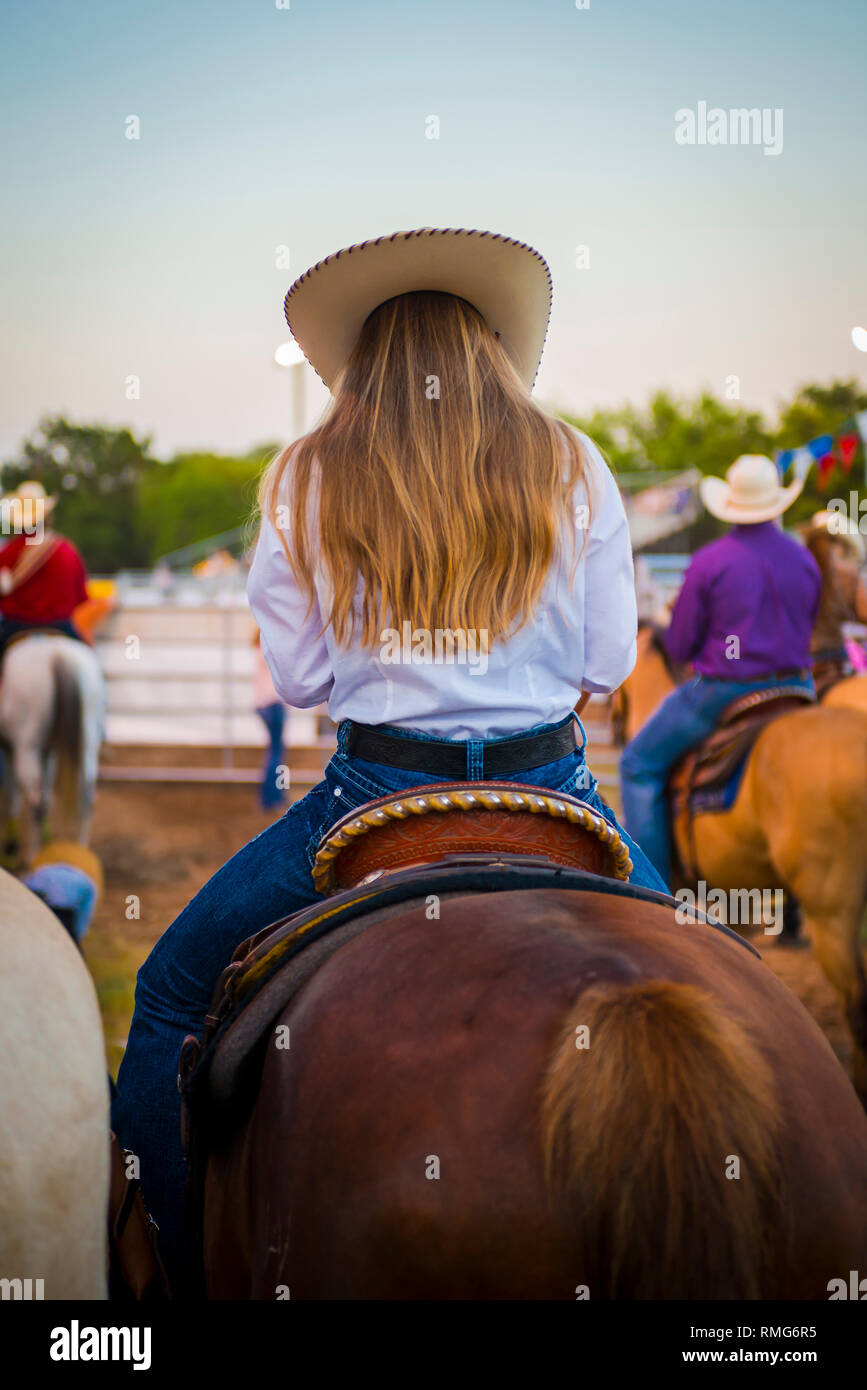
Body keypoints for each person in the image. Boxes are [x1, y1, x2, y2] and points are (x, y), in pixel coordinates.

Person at [114, 227, 667, 1291]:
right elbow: (606, 660)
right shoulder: (575, 460)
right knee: (722, 971)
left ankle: (171, 1277)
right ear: (493, 346)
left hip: (373, 792)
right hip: (551, 783)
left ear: (362, 359)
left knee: (171, 999)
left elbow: (308, 680)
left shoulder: (307, 475)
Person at [620, 454, 820, 888]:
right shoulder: (803, 559)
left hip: (727, 689)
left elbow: (680, 645)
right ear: (777, 503)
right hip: (799, 687)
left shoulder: (711, 561)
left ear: (731, 504)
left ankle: (651, 889)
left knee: (638, 764)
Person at [0, 481, 88, 658]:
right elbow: (81, 598)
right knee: (90, 659)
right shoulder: (67, 550)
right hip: (61, 627)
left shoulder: (7, 554)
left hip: (15, 629)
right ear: (46, 515)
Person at [801, 510, 867, 687]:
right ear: (841, 544)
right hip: (836, 661)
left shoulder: (797, 571)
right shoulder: (849, 575)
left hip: (803, 662)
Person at [252, 626, 288, 810]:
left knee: (275, 749)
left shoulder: (259, 649)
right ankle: (274, 795)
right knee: (277, 751)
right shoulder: (269, 650)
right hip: (273, 703)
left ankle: (274, 795)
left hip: (264, 703)